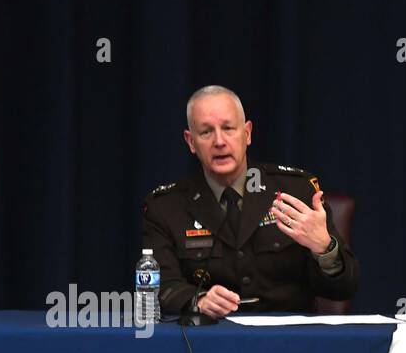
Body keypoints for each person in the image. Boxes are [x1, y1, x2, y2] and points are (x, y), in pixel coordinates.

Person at [142, 86, 360, 318]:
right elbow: (155, 288)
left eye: (228, 128)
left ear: (247, 134)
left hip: (289, 342)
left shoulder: (297, 191)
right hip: (209, 341)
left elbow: (344, 289)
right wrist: (198, 300)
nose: (219, 141)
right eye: (206, 132)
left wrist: (324, 248)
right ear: (191, 142)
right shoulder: (165, 206)